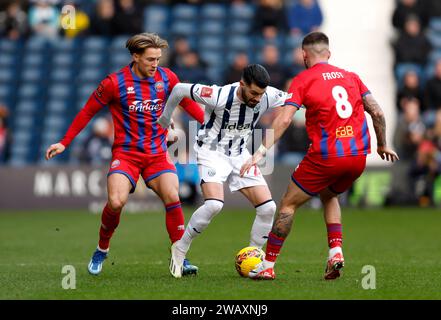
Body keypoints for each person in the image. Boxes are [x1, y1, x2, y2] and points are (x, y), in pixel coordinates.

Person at [240, 32, 399, 280]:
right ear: (329, 54)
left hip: (326, 156)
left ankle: (268, 265)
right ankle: (335, 252)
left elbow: (284, 118)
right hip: (357, 156)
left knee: (288, 204)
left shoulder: (303, 80)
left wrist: (260, 151)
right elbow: (377, 112)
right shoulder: (351, 77)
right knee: (329, 194)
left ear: (304, 55)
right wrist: (383, 144)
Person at [45, 33, 204, 276]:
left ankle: (180, 258)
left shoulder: (167, 78)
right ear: (135, 56)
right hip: (127, 154)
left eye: (158, 59)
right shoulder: (113, 83)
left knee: (173, 195)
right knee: (117, 202)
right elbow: (87, 111)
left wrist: (211, 124)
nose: (155, 64)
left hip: (157, 153)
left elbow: (188, 104)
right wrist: (64, 142)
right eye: (150, 59)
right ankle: (102, 248)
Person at [158, 64, 288, 278]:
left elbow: (297, 101)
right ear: (242, 84)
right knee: (214, 204)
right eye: (253, 93)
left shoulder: (268, 96)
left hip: (240, 154)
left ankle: (256, 260)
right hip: (211, 152)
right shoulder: (217, 94)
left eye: (261, 94)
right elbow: (179, 89)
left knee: (268, 208)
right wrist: (165, 118)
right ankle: (180, 248)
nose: (257, 98)